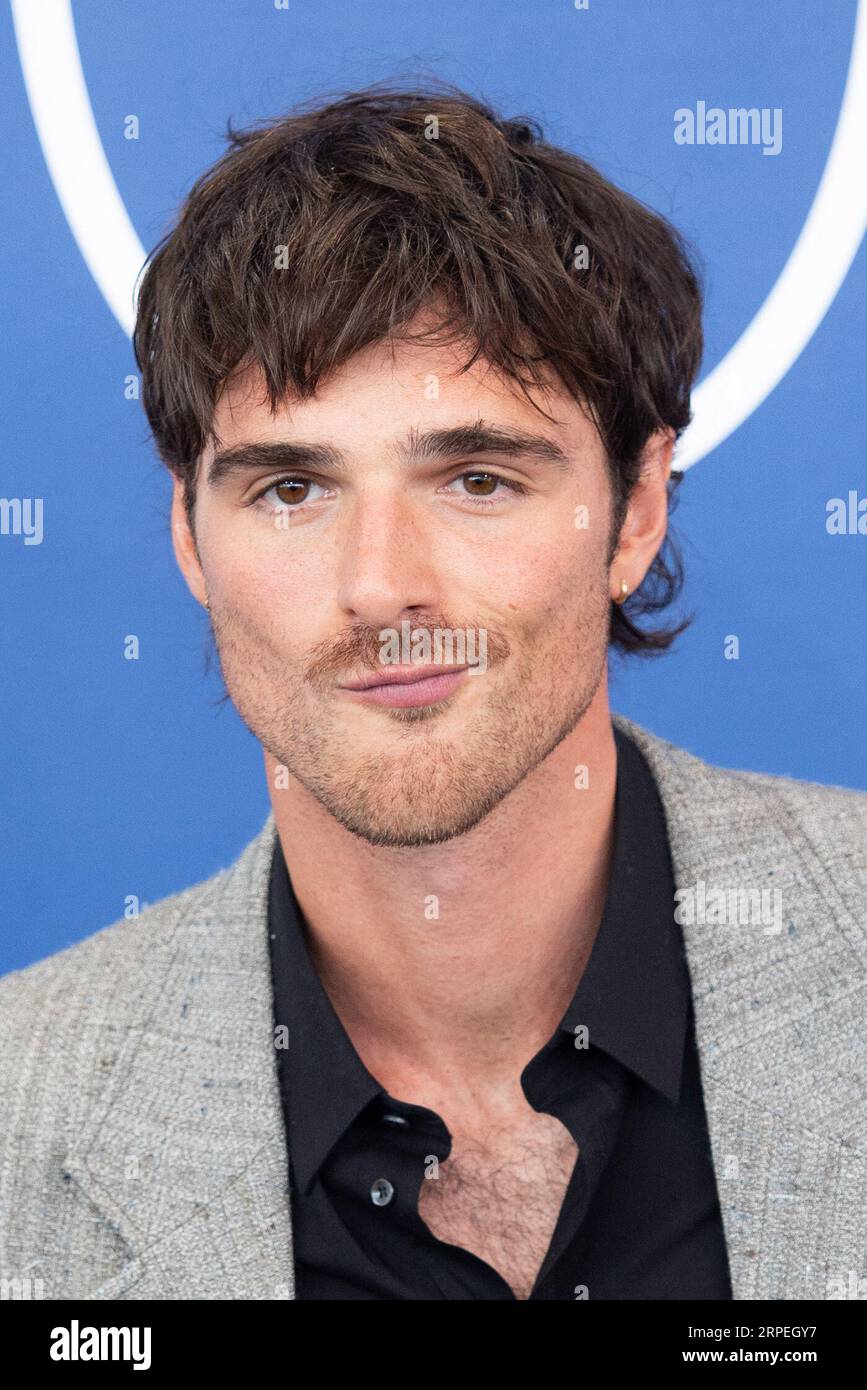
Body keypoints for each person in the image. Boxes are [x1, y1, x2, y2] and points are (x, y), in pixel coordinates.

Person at [1, 82, 863, 1302]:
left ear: (637, 511)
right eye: (292, 489)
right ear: (191, 541)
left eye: (475, 479)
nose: (380, 587)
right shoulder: (19, 1113)